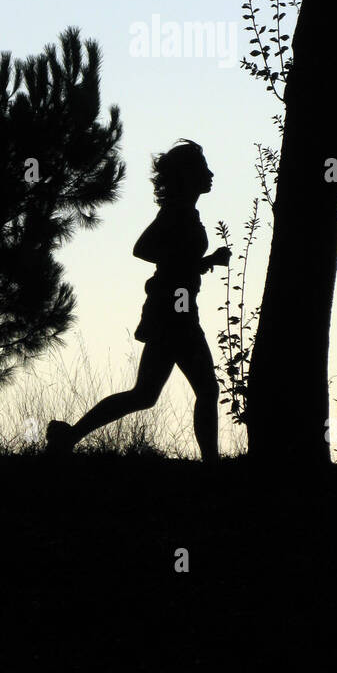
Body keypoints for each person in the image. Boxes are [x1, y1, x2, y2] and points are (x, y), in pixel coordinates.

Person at [45, 139, 229, 461]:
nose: (210, 174)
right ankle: (212, 465)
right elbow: (144, 249)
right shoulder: (175, 212)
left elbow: (176, 261)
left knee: (145, 394)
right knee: (202, 390)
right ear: (188, 175)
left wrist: (205, 261)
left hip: (175, 307)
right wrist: (202, 260)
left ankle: (68, 437)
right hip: (174, 310)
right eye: (203, 169)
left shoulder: (184, 212)